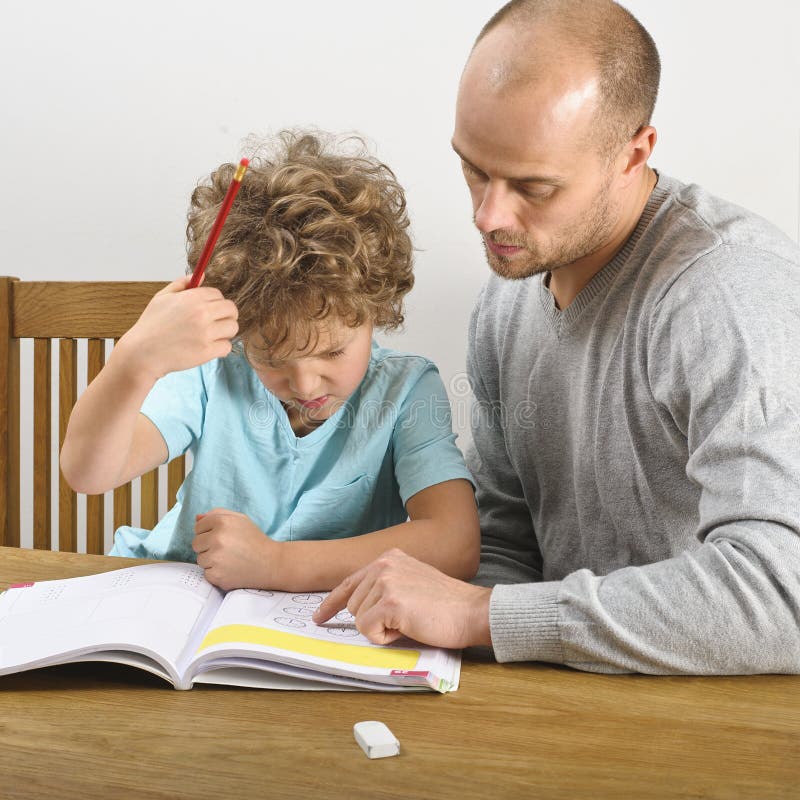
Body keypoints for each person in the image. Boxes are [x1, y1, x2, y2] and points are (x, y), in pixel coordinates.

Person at [314, 0, 800, 674]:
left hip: (721, 724)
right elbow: (511, 540)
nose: (488, 216)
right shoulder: (507, 298)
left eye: (533, 187)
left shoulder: (727, 294)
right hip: (566, 701)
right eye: (474, 169)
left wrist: (476, 615)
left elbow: (782, 596)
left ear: (633, 154)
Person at [60, 130, 479, 592]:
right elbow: (88, 474)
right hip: (171, 596)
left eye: (332, 351)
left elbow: (455, 544)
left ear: (376, 312)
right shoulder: (212, 369)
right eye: (271, 356)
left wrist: (278, 564)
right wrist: (134, 361)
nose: (304, 383)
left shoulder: (406, 389)